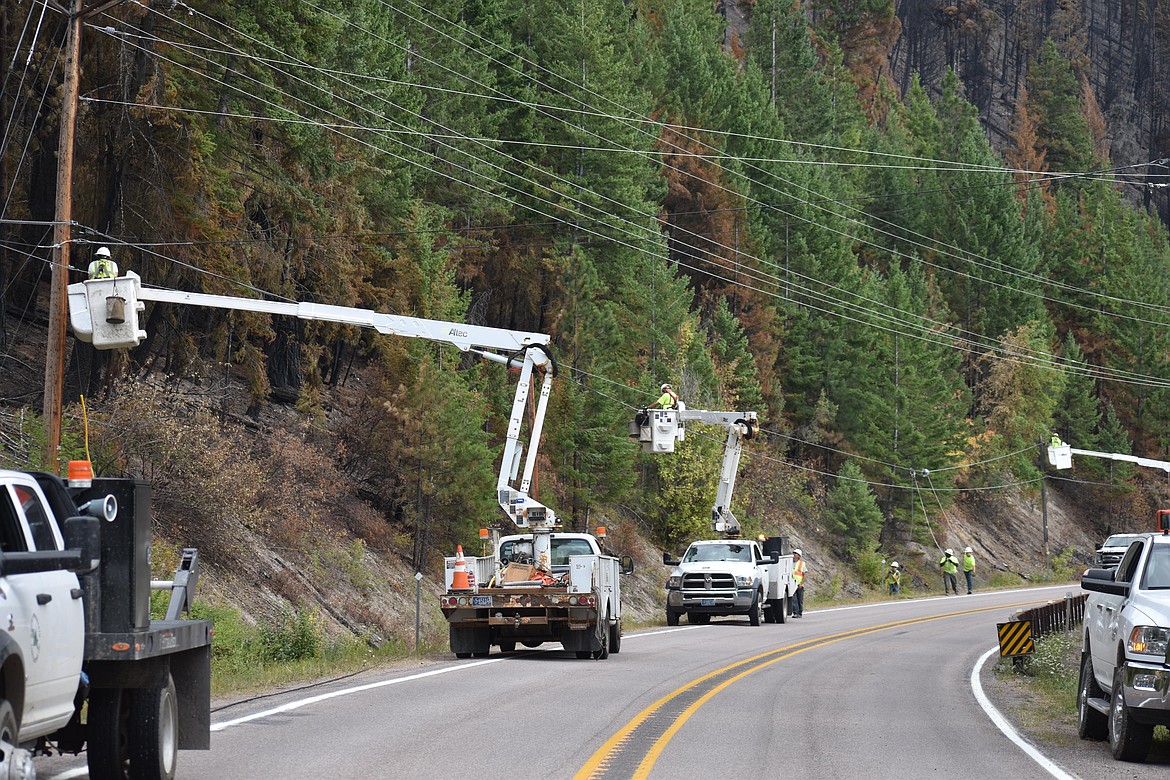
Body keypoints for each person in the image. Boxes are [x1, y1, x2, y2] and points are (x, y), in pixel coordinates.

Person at [791, 548, 806, 617]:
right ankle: (796, 613)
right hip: (792, 584)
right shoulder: (790, 563)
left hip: (799, 584)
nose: (794, 555)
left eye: (795, 554)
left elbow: (804, 574)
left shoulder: (801, 564)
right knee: (794, 599)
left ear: (799, 556)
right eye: (793, 553)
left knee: (800, 599)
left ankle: (800, 612)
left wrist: (801, 583)